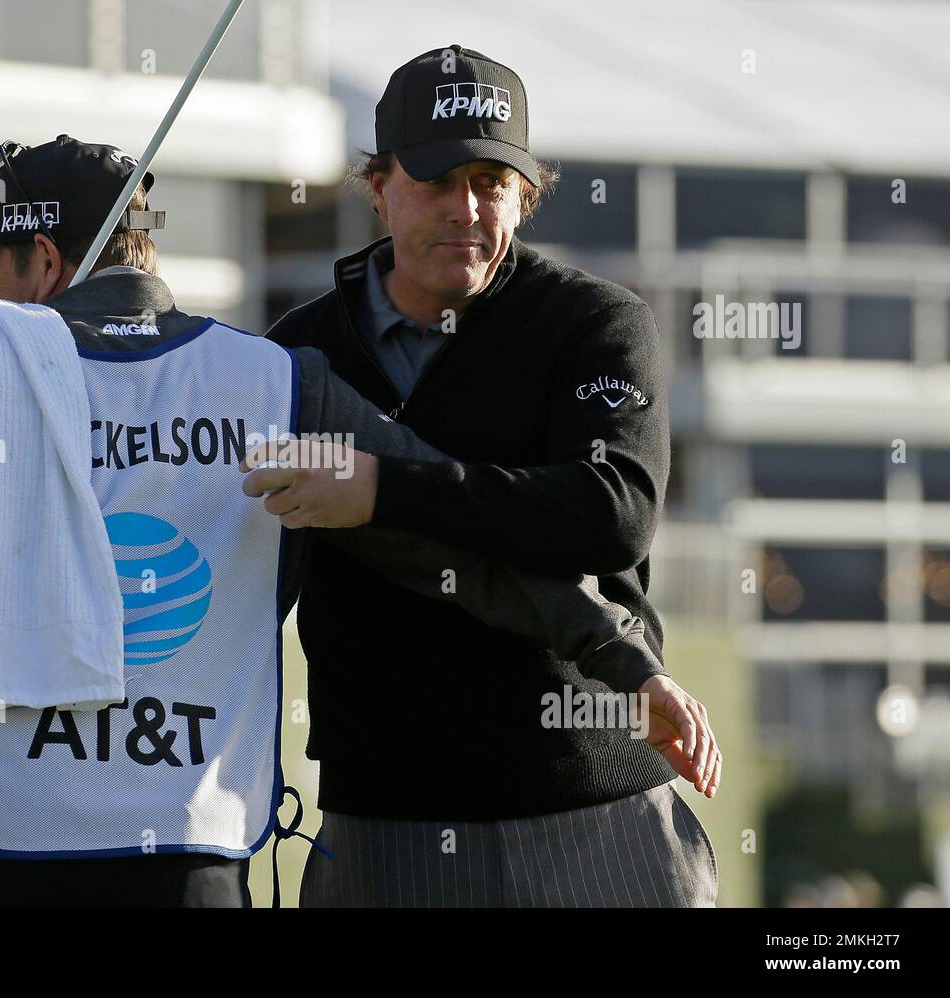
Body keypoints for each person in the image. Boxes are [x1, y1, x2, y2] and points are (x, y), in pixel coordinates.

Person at [0, 134, 710, 908]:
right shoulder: (278, 381)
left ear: (43, 259)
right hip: (190, 862)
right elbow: (458, 546)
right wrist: (622, 660)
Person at [263, 45, 721, 906]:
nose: (466, 210)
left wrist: (383, 492)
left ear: (526, 193)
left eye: (492, 182)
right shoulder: (297, 352)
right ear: (379, 185)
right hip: (385, 825)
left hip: (593, 810)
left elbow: (610, 512)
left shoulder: (596, 324)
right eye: (437, 181)